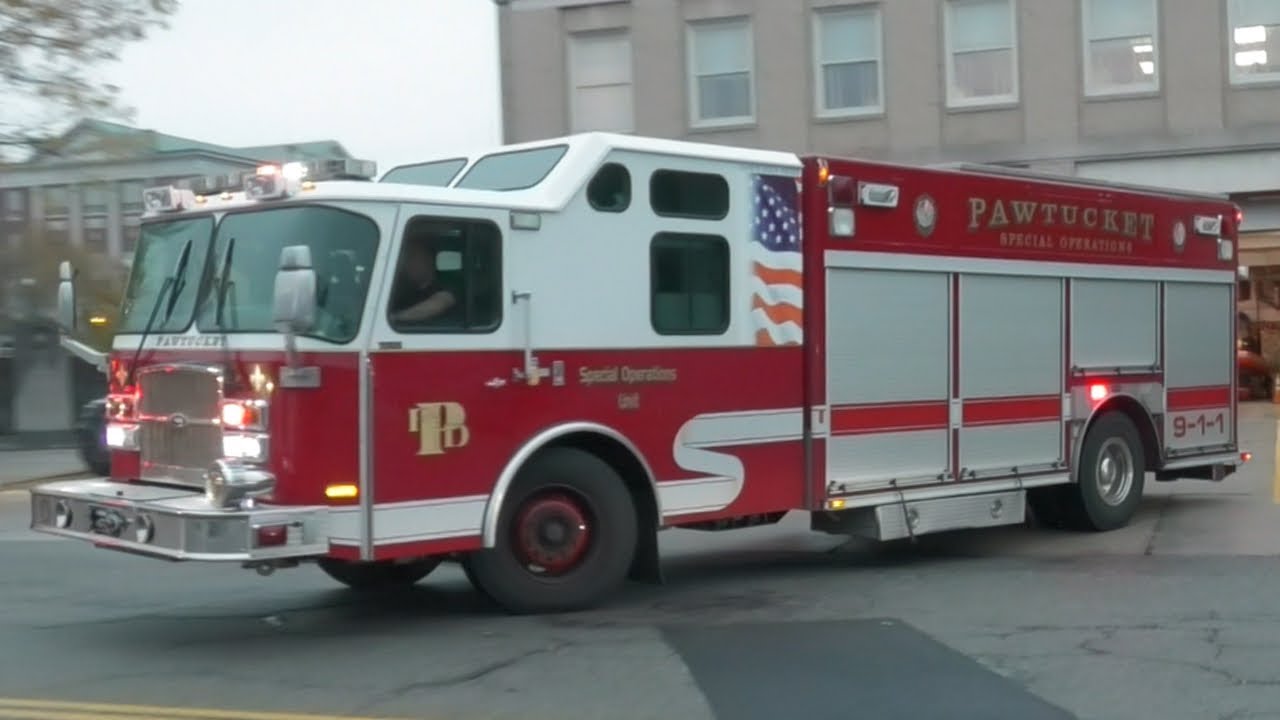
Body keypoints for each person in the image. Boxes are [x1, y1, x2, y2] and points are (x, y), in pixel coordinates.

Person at [388, 229, 458, 325]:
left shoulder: (445, 286)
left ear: (428, 260)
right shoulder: (404, 288)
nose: (406, 263)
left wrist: (394, 318)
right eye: (406, 257)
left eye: (412, 256)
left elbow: (440, 303)